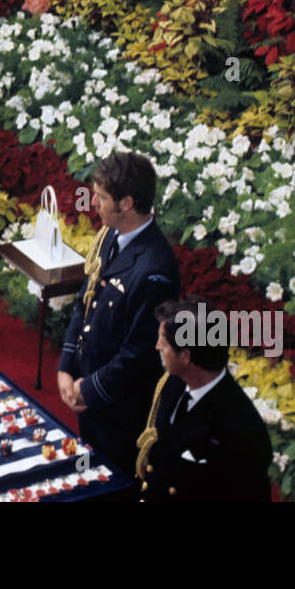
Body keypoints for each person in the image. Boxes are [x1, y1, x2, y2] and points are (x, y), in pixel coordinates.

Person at [57, 151, 179, 477]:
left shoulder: (154, 270)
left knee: (115, 482)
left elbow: (139, 355)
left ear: (126, 204)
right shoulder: (111, 235)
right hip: (89, 395)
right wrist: (66, 367)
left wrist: (90, 389)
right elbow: (86, 302)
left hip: (121, 410)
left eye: (101, 197)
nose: (92, 203)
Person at [135, 297, 273, 502]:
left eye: (163, 344)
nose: (157, 347)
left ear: (185, 357)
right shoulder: (172, 384)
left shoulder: (242, 430)